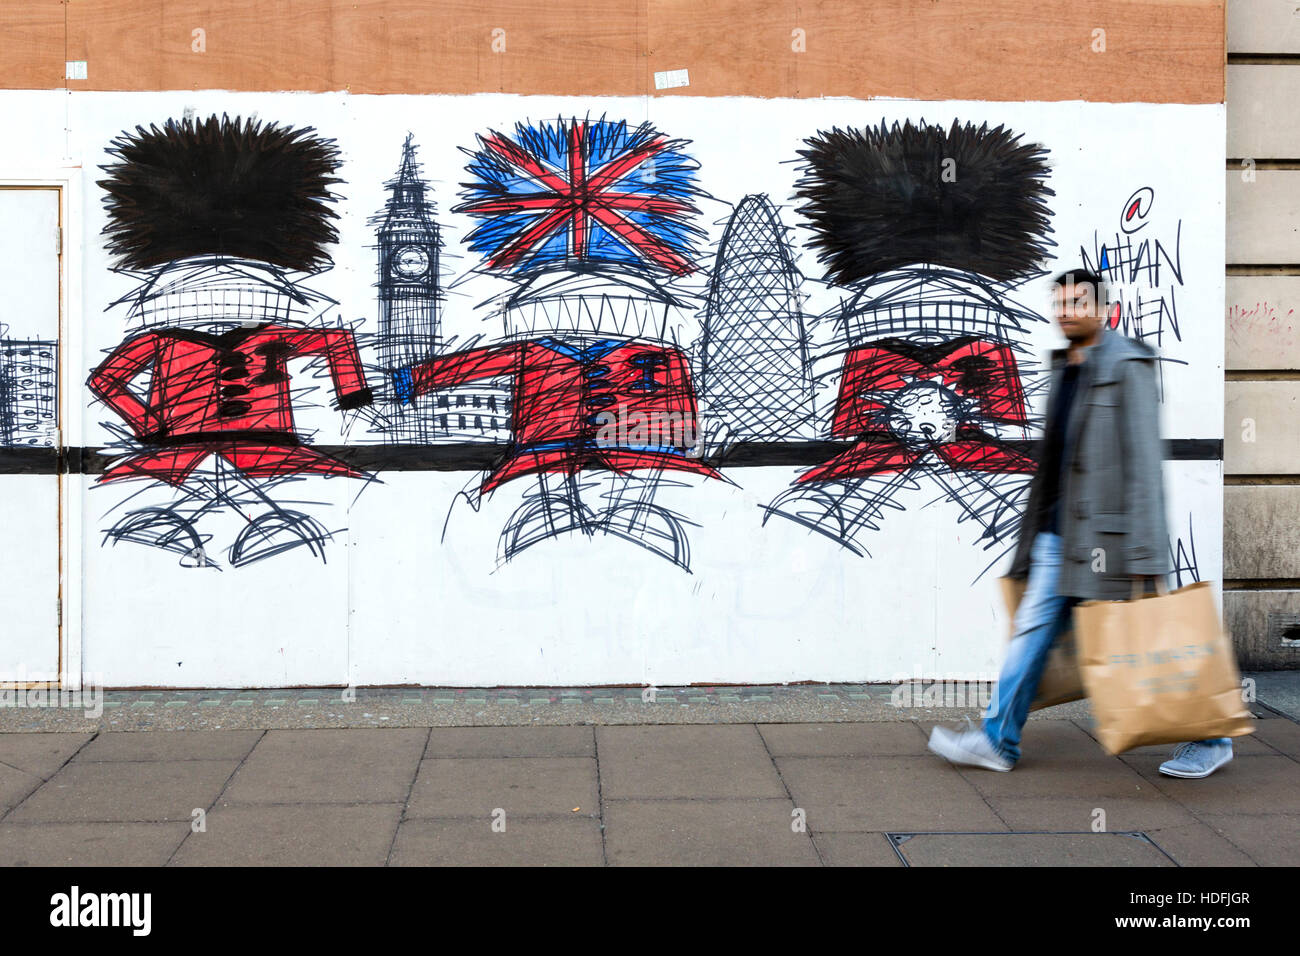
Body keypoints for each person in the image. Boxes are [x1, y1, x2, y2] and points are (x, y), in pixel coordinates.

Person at [926, 269, 1233, 778]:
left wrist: (1147, 557)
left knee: (1148, 640)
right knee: (1031, 632)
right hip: (1057, 538)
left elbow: (1143, 466)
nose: (1066, 310)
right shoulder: (1066, 368)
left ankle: (1213, 738)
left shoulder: (1127, 364)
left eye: (1077, 302)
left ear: (1102, 309)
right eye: (1060, 301)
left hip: (1108, 543)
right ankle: (997, 740)